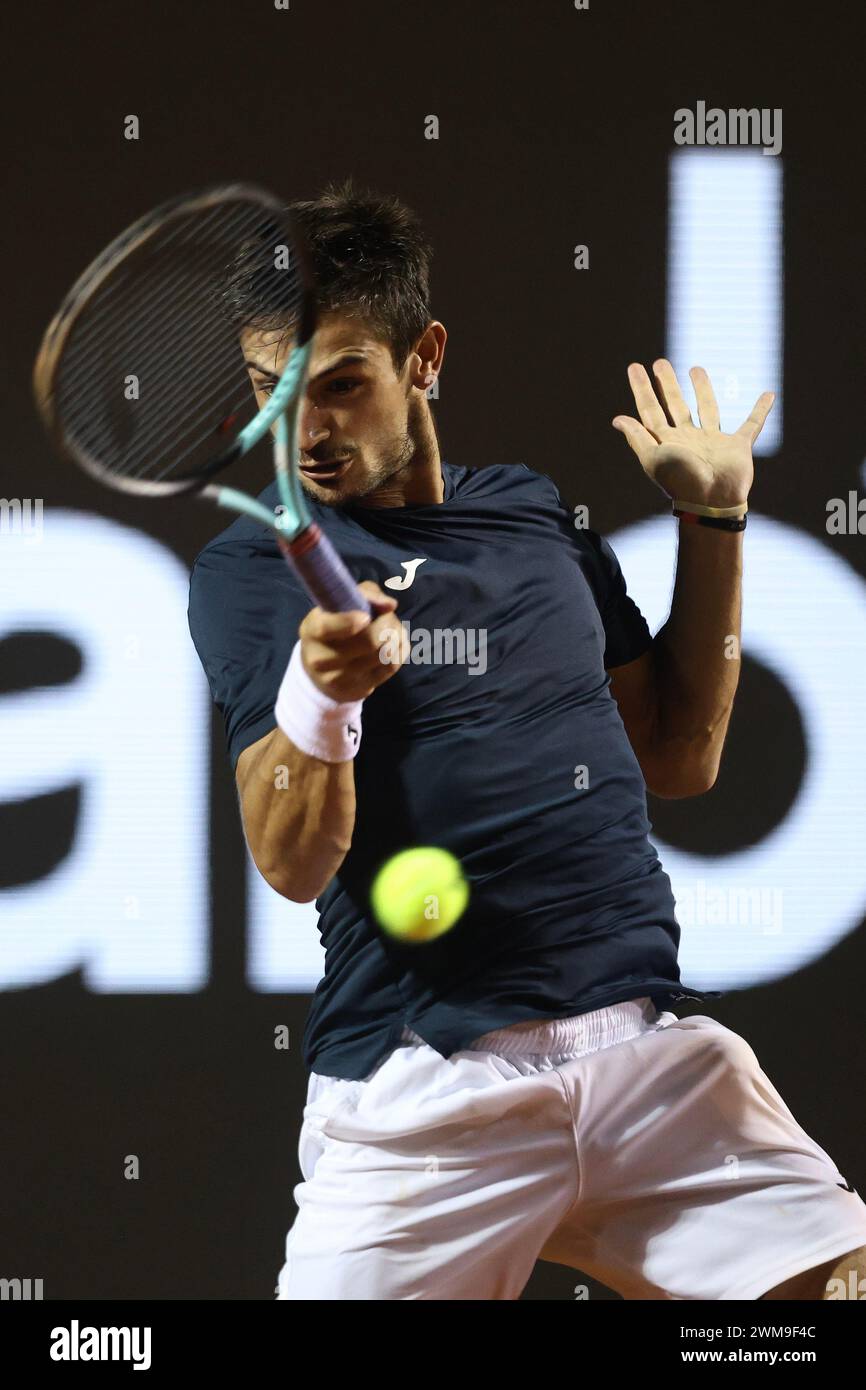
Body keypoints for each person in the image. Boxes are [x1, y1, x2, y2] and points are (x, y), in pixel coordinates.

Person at [188, 179, 866, 1300]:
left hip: (648, 1062)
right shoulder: (256, 573)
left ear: (423, 357)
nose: (303, 431)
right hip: (427, 1091)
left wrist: (714, 521)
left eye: (341, 383)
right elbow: (291, 859)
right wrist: (322, 696)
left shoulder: (529, 513)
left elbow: (677, 751)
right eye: (273, 391)